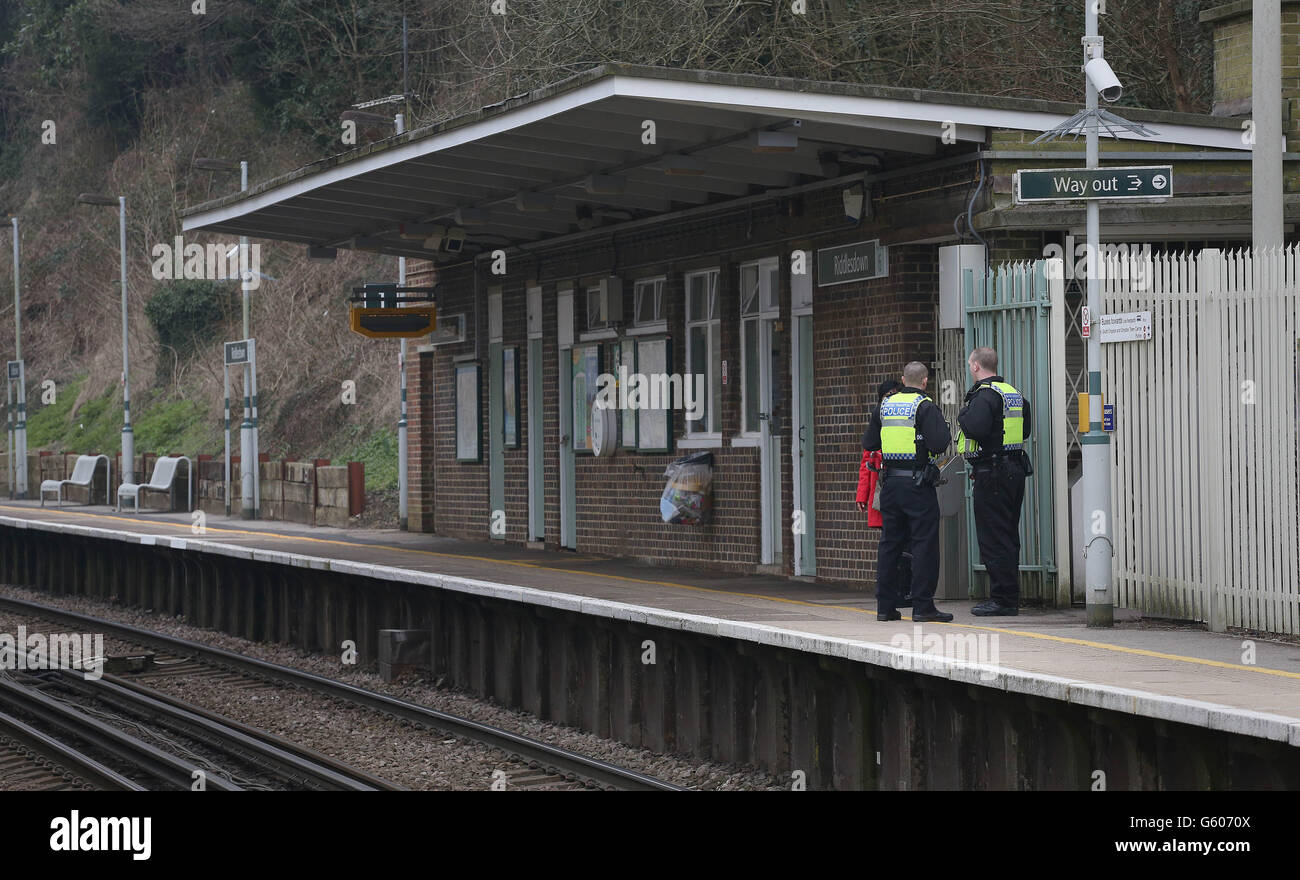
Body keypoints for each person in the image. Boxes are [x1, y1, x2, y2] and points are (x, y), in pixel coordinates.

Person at [863, 362, 952, 622]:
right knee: (924, 543)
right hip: (917, 485)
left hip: (890, 485)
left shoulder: (885, 406)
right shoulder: (925, 406)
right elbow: (940, 442)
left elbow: (869, 443)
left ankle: (885, 607)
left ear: (903, 379)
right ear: (925, 381)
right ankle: (923, 607)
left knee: (890, 544)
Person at [957, 347, 1032, 617]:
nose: (969, 368)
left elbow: (974, 427)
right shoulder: (1013, 393)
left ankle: (1002, 600)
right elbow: (1025, 430)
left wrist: (961, 415)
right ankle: (1009, 596)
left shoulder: (984, 396)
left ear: (976, 366)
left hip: (993, 472)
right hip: (1014, 470)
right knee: (1008, 535)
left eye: (969, 365)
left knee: (993, 537)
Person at [857, 380, 913, 607]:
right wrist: (862, 495)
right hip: (881, 495)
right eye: (886, 395)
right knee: (892, 544)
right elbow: (865, 463)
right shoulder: (877, 421)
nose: (890, 398)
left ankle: (904, 590)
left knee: (904, 544)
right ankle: (893, 591)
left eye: (894, 394)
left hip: (896, 489)